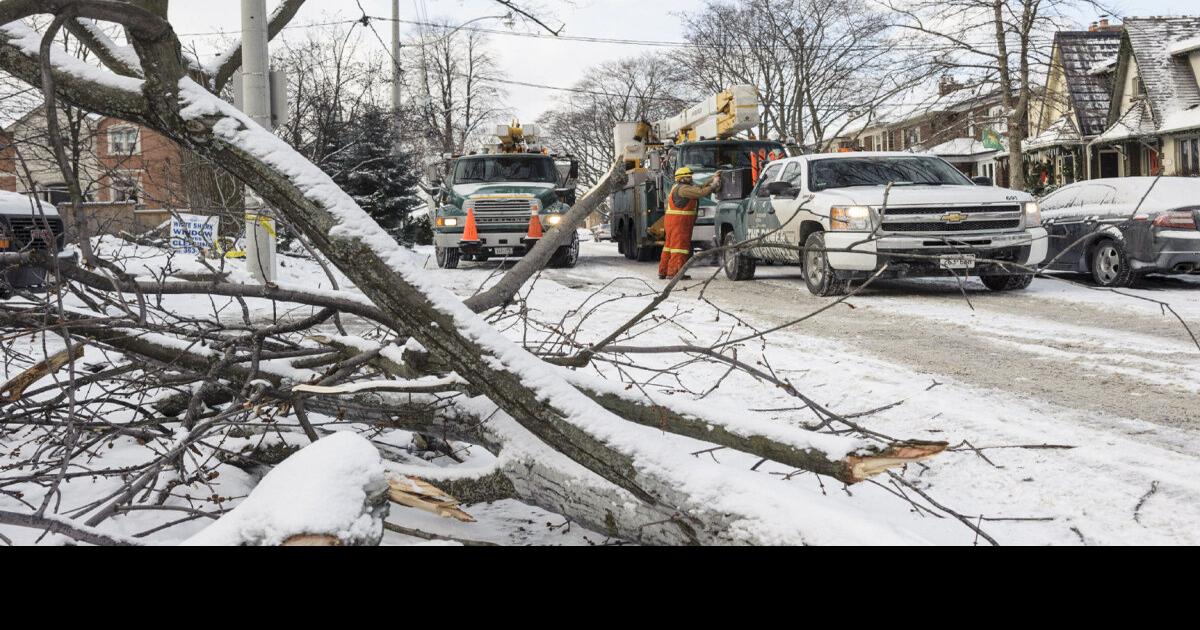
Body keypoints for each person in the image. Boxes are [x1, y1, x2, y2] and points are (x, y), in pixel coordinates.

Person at [659, 166, 722, 280]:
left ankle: (663, 271)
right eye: (688, 177)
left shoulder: (678, 187)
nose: (690, 178)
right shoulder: (684, 189)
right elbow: (700, 192)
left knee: (669, 247)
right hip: (680, 223)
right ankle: (674, 273)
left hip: (673, 222)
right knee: (680, 248)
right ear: (681, 178)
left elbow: (699, 187)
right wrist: (713, 185)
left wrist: (712, 178)